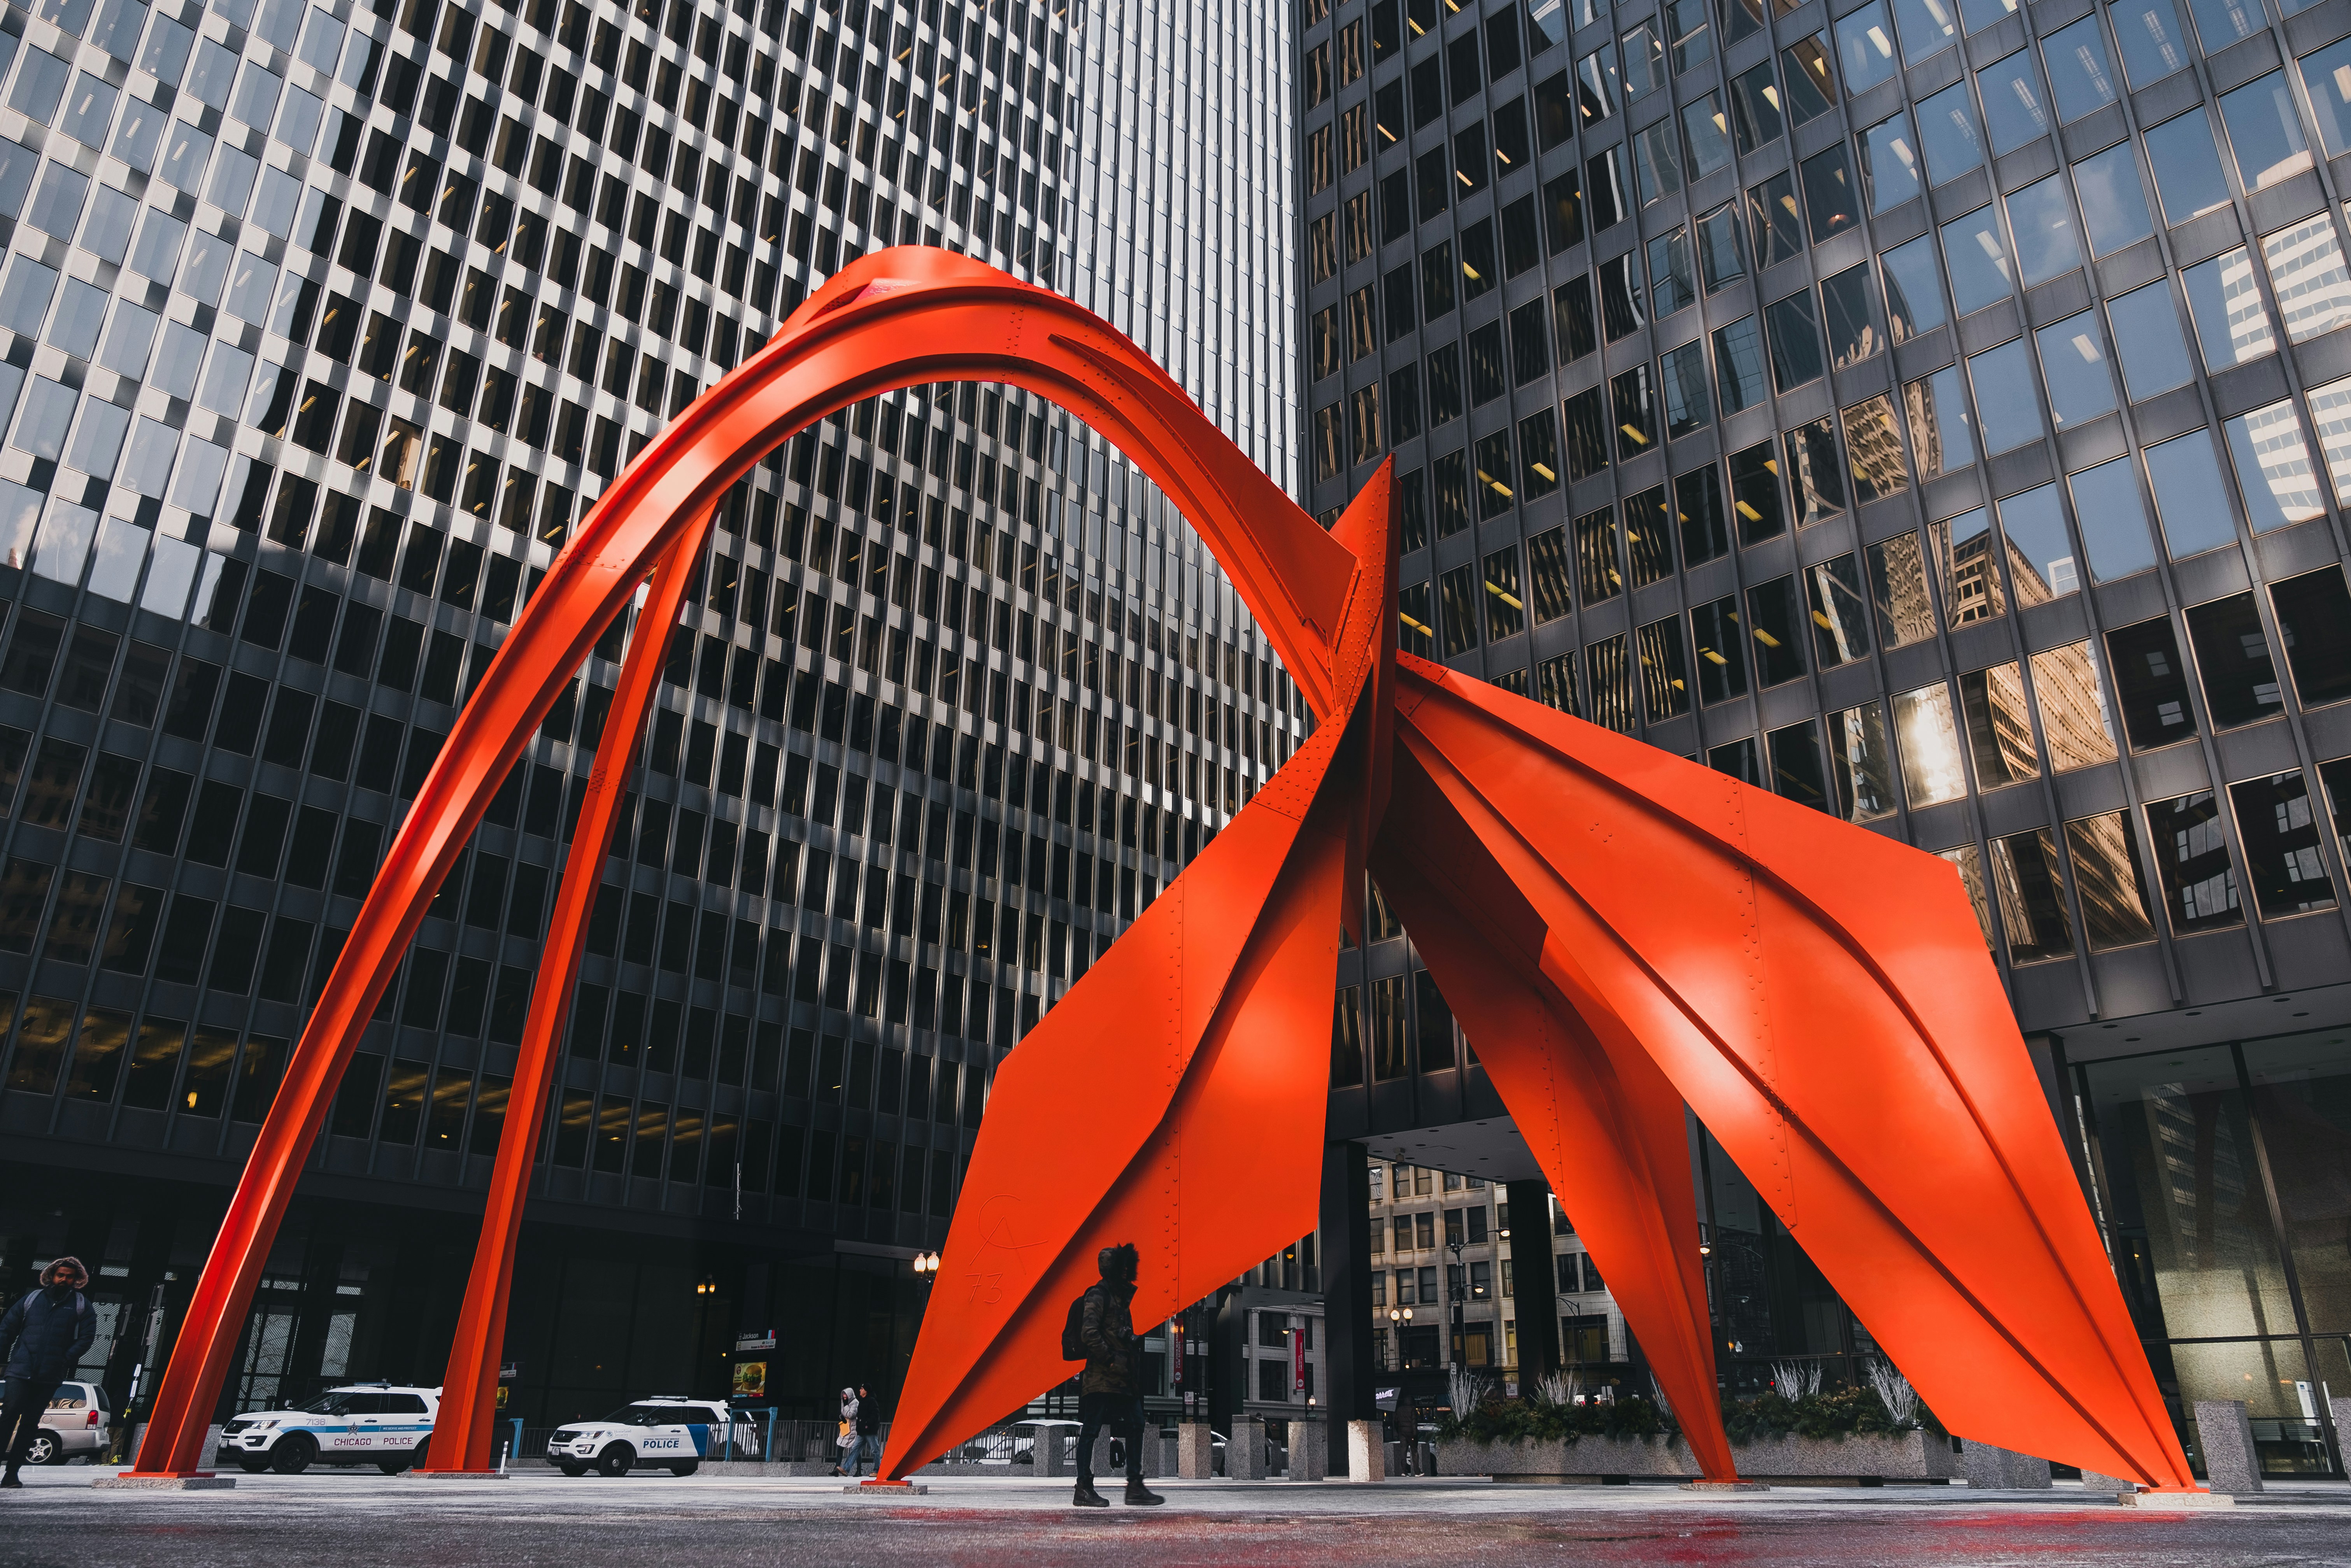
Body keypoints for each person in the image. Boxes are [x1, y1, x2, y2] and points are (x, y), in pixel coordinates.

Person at [1072, 1242, 1162, 1508]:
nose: (1127, 1273)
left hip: (1123, 1377)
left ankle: (1135, 1485)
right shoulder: (1098, 1295)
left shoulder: (1120, 1299)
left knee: (1136, 1423)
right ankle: (1083, 1487)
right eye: (1122, 1268)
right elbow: (1089, 1332)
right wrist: (1110, 1358)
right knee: (1091, 1430)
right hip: (1102, 1376)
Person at [0, 1258, 95, 1488]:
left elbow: (86, 1338)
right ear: (52, 1275)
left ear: (76, 1280)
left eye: (69, 1276)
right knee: (9, 1415)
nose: (64, 1279)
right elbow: (7, 1329)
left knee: (31, 1423)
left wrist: (64, 1360)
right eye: (60, 1275)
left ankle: (12, 1474)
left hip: (50, 1375)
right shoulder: (32, 1299)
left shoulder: (81, 1304)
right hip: (20, 1370)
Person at [850, 1384, 882, 1477]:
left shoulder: (871, 1401)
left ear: (866, 1391)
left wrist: (868, 1424)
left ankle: (877, 1470)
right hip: (862, 1431)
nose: (860, 1390)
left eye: (862, 1389)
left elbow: (875, 1415)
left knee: (875, 1450)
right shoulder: (862, 1401)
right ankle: (846, 1468)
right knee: (855, 1449)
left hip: (869, 1431)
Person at [831, 1387, 858, 1477]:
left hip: (853, 1429)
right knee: (840, 1448)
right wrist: (842, 1417)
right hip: (846, 1429)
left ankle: (859, 1470)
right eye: (844, 1397)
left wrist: (846, 1406)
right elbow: (845, 1414)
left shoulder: (855, 1403)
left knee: (856, 1449)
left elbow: (851, 1414)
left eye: (846, 1397)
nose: (845, 1399)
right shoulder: (844, 1402)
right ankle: (836, 1468)